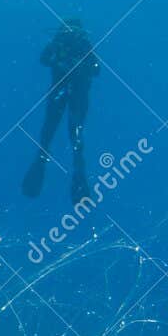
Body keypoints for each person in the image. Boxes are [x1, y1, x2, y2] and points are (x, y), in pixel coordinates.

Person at [22, 17, 100, 203]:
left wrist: (78, 66)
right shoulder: (62, 43)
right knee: (63, 130)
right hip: (66, 94)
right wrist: (62, 62)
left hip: (73, 95)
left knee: (66, 131)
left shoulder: (81, 44)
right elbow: (44, 59)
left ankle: (48, 157)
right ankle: (71, 165)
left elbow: (96, 69)